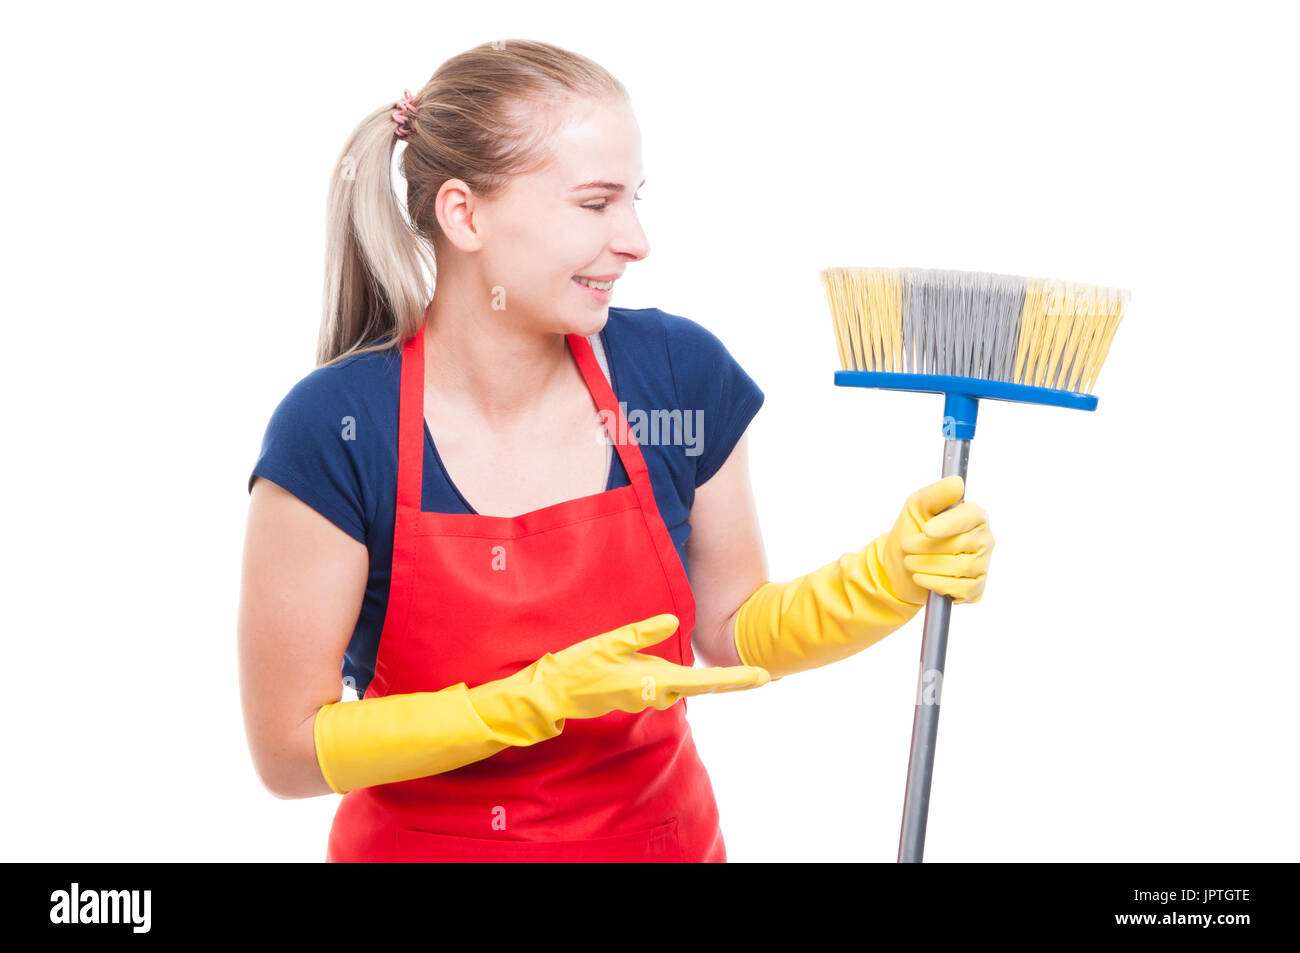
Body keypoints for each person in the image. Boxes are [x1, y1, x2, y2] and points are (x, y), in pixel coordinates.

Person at [237, 39, 994, 863]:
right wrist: (528, 703)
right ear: (465, 215)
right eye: (596, 204)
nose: (636, 239)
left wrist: (886, 577)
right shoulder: (340, 428)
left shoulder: (674, 375)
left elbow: (734, 631)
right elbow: (288, 748)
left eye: (635, 199)